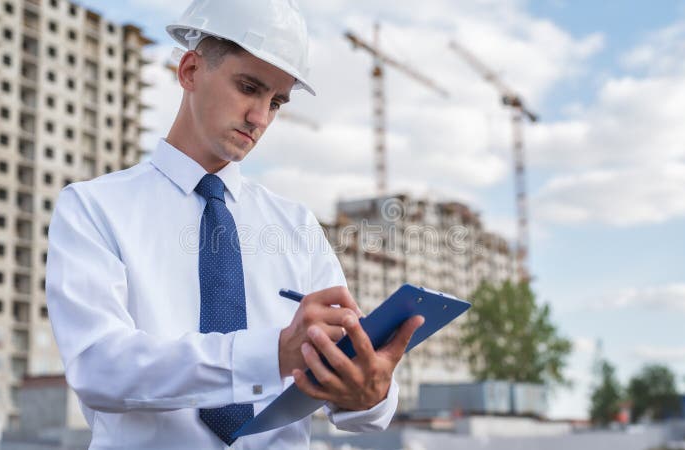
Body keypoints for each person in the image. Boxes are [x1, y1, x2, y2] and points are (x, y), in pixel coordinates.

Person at [45, 0, 423, 448]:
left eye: (276, 102)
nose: (260, 118)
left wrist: (371, 390)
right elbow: (98, 367)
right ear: (189, 71)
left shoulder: (296, 225)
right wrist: (271, 355)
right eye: (248, 87)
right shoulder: (93, 207)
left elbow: (354, 410)